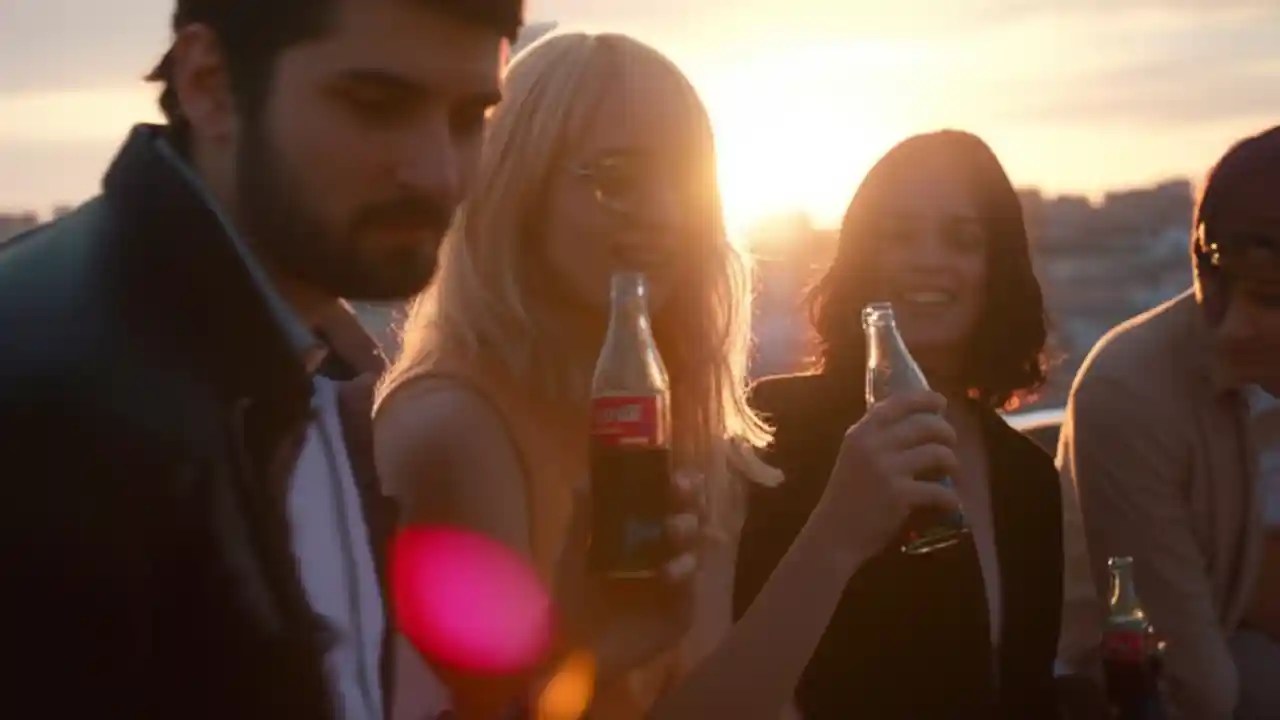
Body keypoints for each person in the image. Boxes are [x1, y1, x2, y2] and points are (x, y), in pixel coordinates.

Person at [374, 33, 962, 720]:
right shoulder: (458, 430)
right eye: (616, 177)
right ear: (515, 188)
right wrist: (834, 542)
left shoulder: (668, 419)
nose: (659, 212)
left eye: (681, 180)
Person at [0, 1, 521, 717]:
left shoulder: (313, 361)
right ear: (209, 83)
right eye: (375, 106)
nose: (438, 173)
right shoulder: (58, 410)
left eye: (470, 118)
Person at [735, 131, 1065, 719]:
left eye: (962, 240)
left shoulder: (1029, 478)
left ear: (997, 269)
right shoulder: (777, 429)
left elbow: (1025, 687)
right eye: (901, 236)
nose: (929, 259)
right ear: (864, 257)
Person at [1058, 126, 1280, 720]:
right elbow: (1189, 687)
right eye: (1213, 284)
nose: (1234, 325)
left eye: (1269, 298)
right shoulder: (1130, 392)